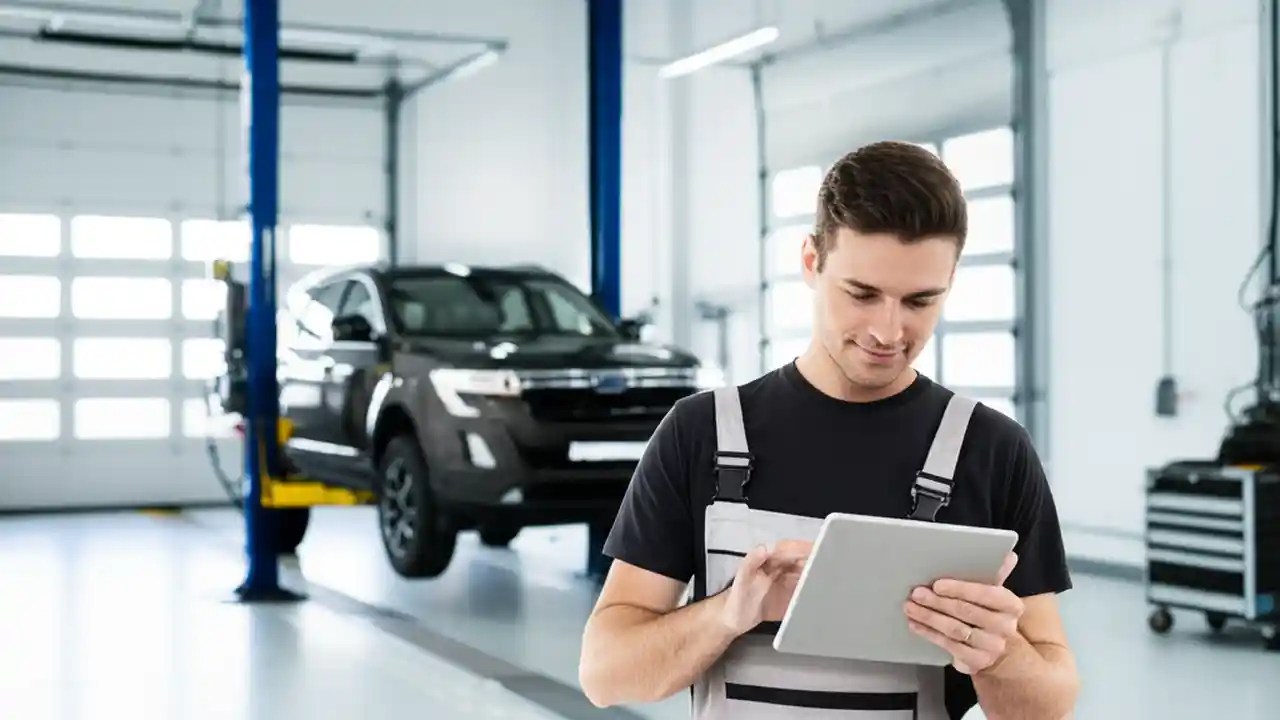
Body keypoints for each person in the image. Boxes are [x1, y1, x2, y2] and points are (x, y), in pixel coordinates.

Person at [578, 141, 1079, 719]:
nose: (889, 331)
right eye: (862, 294)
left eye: (920, 301)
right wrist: (728, 614)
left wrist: (998, 654)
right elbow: (604, 672)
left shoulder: (991, 450)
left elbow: (1050, 705)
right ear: (812, 262)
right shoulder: (702, 435)